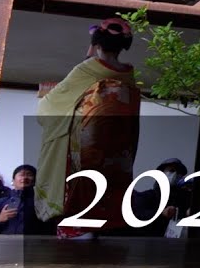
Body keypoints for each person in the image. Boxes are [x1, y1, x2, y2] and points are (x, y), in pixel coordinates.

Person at [35, 17, 141, 239]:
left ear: (97, 43)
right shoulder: (127, 74)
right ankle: (97, 224)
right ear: (123, 46)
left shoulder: (87, 68)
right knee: (106, 182)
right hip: (116, 145)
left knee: (78, 179)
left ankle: (74, 225)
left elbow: (49, 107)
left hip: (84, 142)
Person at [0, 165, 50, 235]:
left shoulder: (44, 202)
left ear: (35, 181)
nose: (25, 177)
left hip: (35, 243)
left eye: (29, 175)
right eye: (21, 174)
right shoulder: (0, 201)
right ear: (13, 181)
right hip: (5, 243)